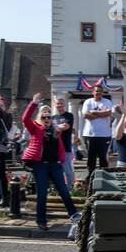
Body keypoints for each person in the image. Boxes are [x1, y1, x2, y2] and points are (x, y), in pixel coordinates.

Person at [21, 92, 80, 231]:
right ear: (40, 117)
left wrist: (61, 159)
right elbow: (24, 119)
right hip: (40, 165)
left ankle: (74, 216)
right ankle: (41, 220)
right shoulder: (35, 127)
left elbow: (59, 145)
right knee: (42, 193)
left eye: (48, 116)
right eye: (44, 116)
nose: (46, 118)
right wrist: (33, 103)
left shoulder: (55, 130)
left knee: (64, 191)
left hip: (54, 165)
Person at [81, 85, 114, 180]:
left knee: (103, 158)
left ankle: (104, 177)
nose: (98, 93)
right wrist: (101, 114)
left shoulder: (107, 102)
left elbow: (107, 113)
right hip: (90, 135)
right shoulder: (88, 102)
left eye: (100, 91)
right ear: (93, 92)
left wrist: (93, 112)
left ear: (102, 93)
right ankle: (91, 177)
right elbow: (85, 115)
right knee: (91, 158)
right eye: (96, 91)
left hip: (104, 135)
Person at [49, 96, 76, 193]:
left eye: (61, 103)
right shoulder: (52, 117)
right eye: (57, 103)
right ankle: (57, 189)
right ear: (55, 105)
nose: (59, 105)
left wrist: (54, 127)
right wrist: (56, 128)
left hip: (65, 147)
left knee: (67, 170)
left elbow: (66, 126)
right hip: (54, 148)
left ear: (64, 105)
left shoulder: (69, 116)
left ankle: (70, 189)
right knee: (55, 170)